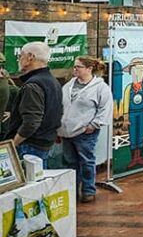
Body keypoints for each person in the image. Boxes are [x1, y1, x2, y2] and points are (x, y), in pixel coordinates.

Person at [60, 56, 112, 203]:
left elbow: (105, 108)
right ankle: (73, 190)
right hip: (66, 131)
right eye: (74, 66)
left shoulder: (100, 88)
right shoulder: (69, 85)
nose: (75, 69)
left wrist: (93, 125)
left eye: (78, 67)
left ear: (89, 69)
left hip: (85, 132)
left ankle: (88, 190)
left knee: (86, 160)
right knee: (70, 162)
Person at [6, 42, 63, 167]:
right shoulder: (52, 81)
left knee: (30, 178)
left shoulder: (33, 85)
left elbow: (31, 122)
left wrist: (14, 143)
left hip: (30, 146)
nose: (18, 59)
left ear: (30, 57)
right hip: (43, 143)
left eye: (20, 56)